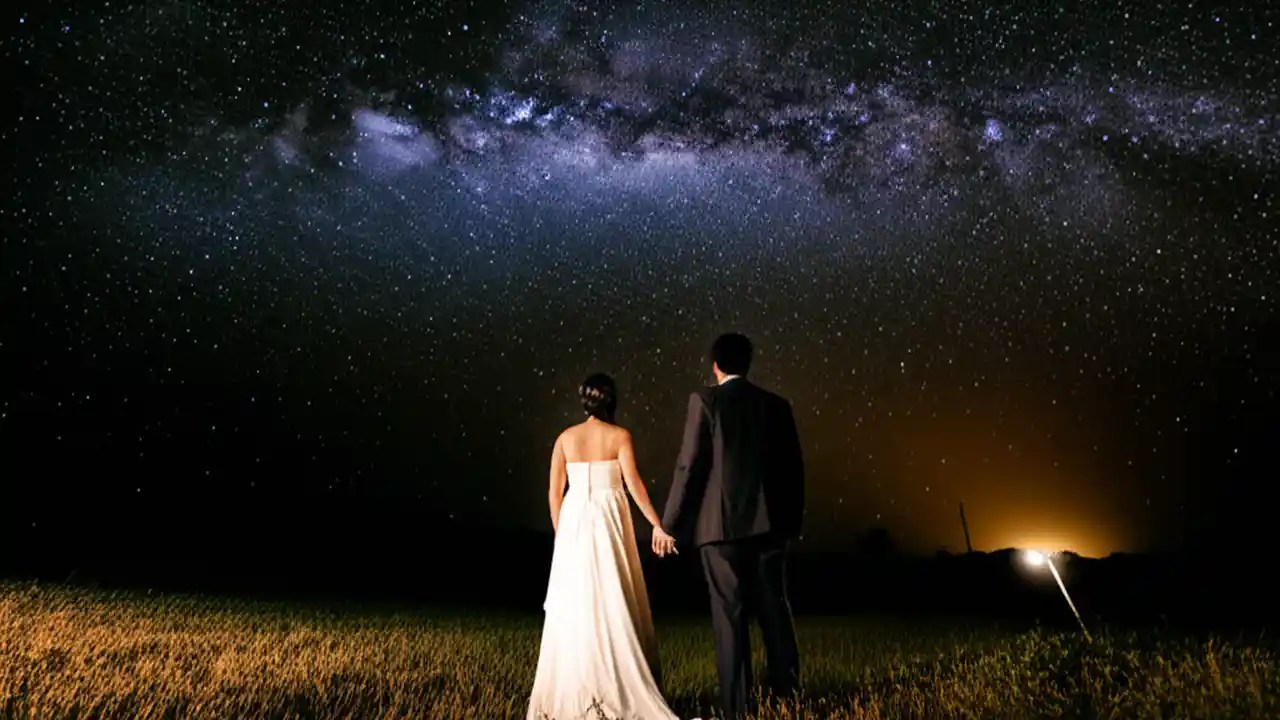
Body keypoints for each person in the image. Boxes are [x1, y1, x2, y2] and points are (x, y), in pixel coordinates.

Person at [657, 333, 805, 720]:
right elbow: (793, 470)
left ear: (716, 366)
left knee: (729, 617)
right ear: (748, 364)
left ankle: (738, 709)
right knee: (775, 610)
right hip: (771, 527)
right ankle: (788, 699)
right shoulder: (776, 405)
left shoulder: (705, 400)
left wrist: (669, 523)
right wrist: (792, 523)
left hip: (719, 528)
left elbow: (689, 466)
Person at [527, 373, 680, 720]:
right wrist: (657, 523)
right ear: (611, 400)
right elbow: (634, 484)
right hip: (609, 519)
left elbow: (554, 491)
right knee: (612, 592)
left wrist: (560, 532)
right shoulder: (620, 436)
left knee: (578, 601)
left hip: (575, 520)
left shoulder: (566, 437)